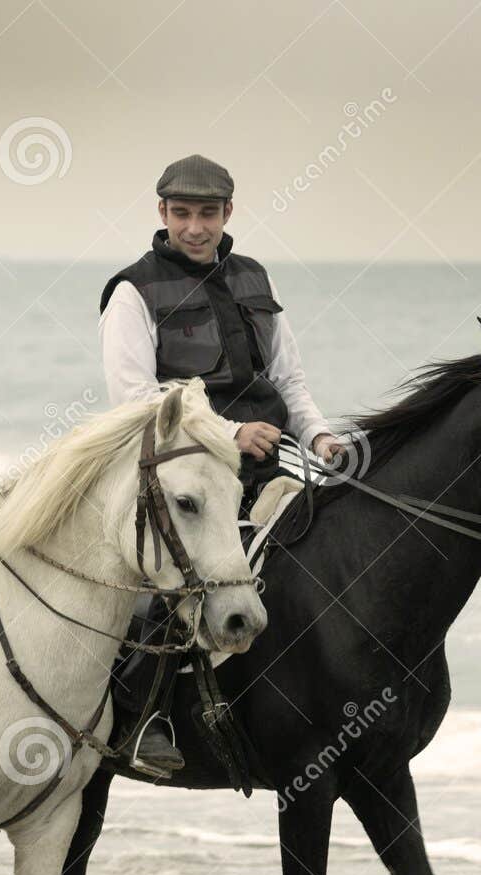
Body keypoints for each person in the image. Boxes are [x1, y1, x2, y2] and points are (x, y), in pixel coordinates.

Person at [98, 155, 342, 773]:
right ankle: (142, 716)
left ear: (228, 213)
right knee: (171, 573)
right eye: (182, 214)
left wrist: (318, 437)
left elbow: (289, 377)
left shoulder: (257, 279)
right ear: (162, 214)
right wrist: (229, 432)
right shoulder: (133, 290)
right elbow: (133, 398)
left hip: (265, 462)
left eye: (207, 213)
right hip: (179, 466)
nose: (195, 227)